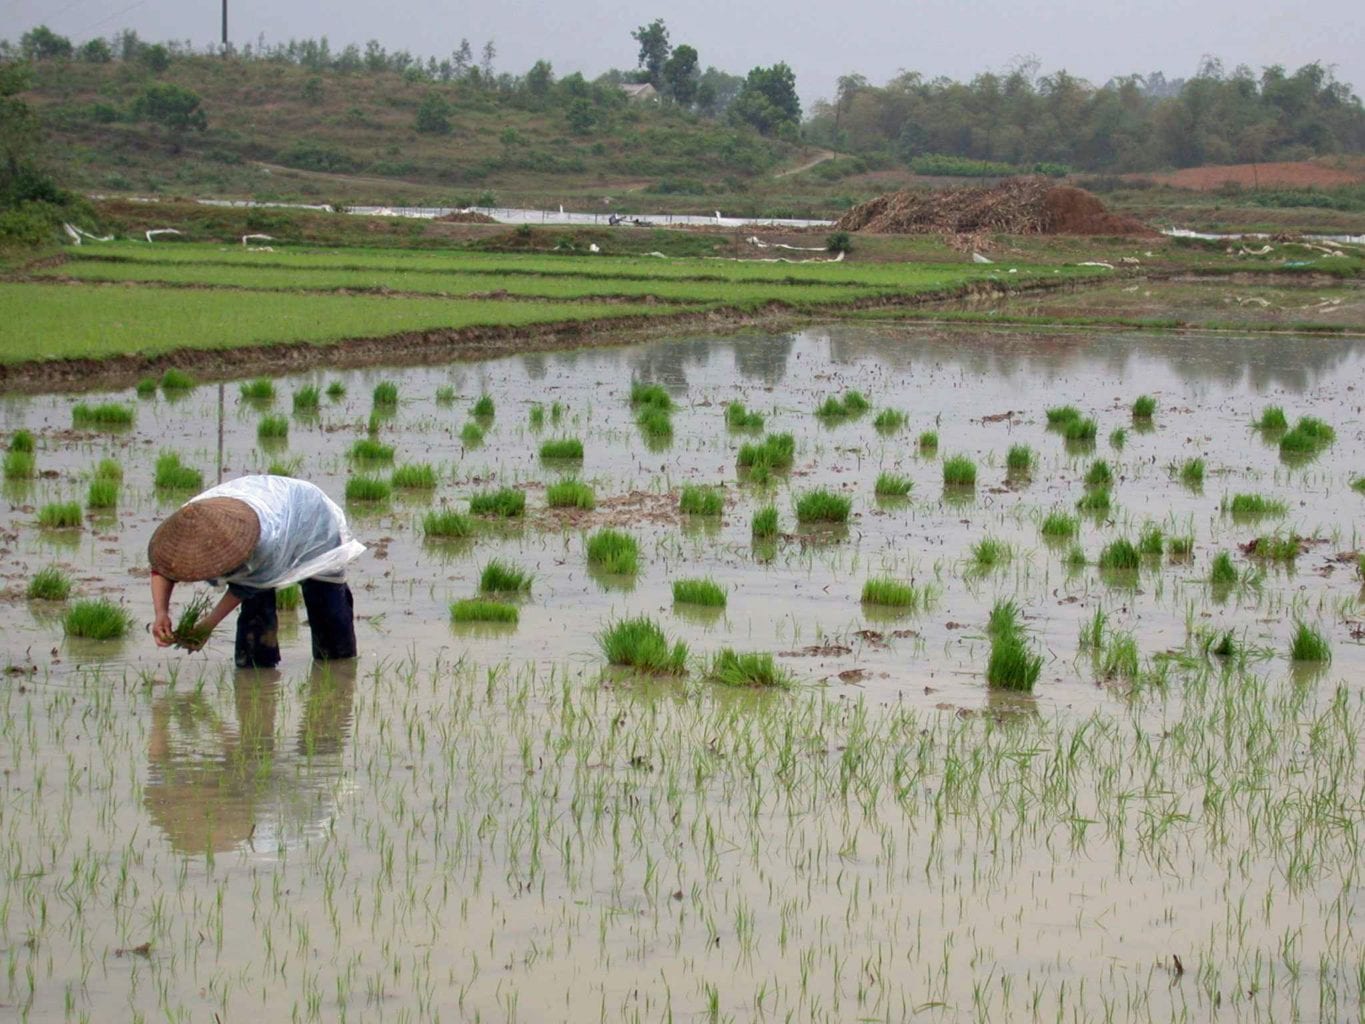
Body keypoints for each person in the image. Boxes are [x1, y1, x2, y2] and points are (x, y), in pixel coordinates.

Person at [149, 475, 365, 668]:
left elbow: (245, 587)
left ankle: (340, 670)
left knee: (327, 604)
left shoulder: (262, 543)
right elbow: (164, 567)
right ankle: (257, 673)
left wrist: (207, 626)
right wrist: (161, 613)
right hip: (263, 502)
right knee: (256, 613)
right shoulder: (184, 524)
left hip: (309, 516)